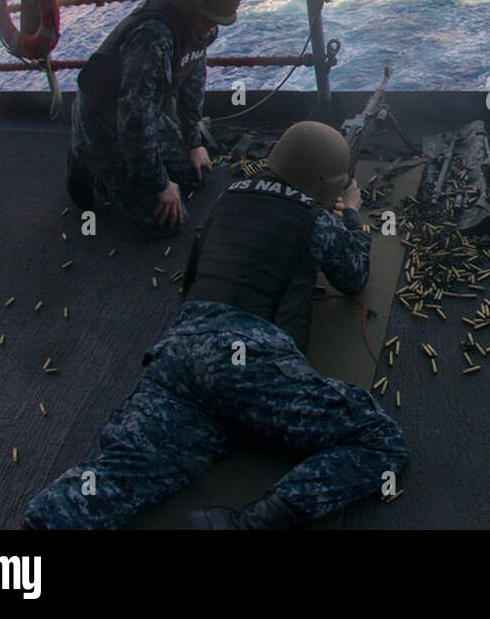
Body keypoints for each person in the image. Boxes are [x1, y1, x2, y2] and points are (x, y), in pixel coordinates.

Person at [25, 122, 409, 530]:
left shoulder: (228, 197)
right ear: (324, 182)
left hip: (181, 356)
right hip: (250, 364)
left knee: (125, 472)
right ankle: (251, 524)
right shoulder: (314, 218)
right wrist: (350, 213)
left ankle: (47, 521)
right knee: (378, 438)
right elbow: (354, 276)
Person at [66, 0, 243, 234]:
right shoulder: (153, 39)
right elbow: (134, 120)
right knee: (169, 221)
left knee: (198, 176)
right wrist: (159, 184)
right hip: (105, 120)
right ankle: (88, 163)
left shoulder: (197, 27)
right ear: (189, 4)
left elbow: (192, 81)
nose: (213, 28)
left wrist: (193, 141)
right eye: (209, 19)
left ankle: (137, 171)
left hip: (141, 109)